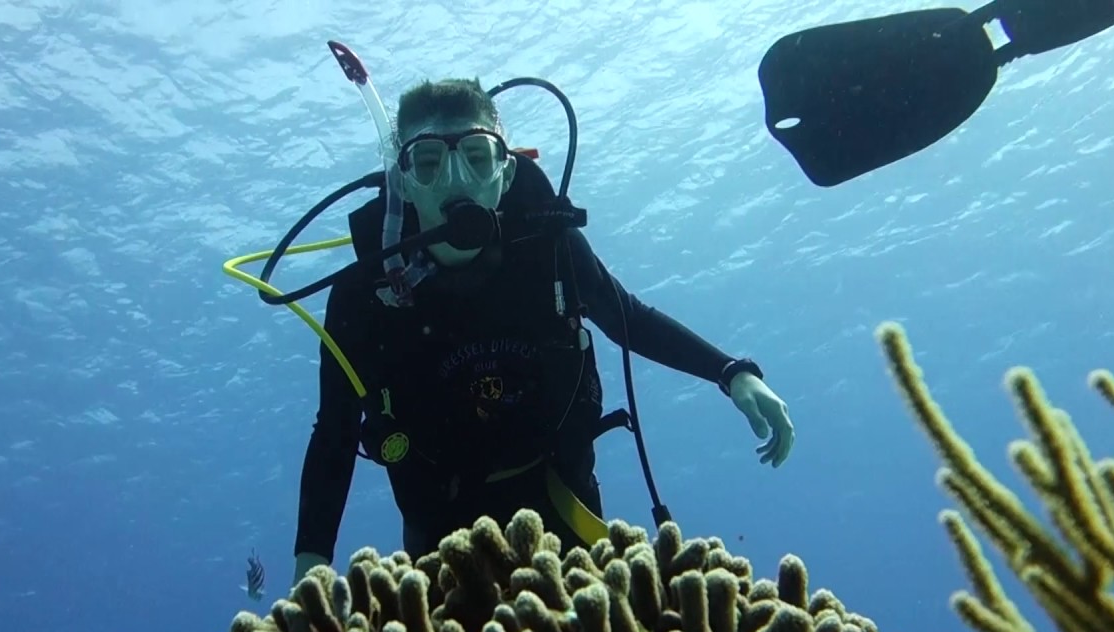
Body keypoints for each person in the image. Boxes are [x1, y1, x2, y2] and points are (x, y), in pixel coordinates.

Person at [291, 78, 794, 582]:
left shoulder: (549, 250)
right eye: (428, 163)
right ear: (402, 183)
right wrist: (311, 565)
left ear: (505, 173)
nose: (455, 179)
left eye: (477, 157)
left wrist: (732, 373)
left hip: (562, 493)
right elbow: (333, 432)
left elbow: (627, 317)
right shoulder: (364, 296)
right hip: (437, 525)